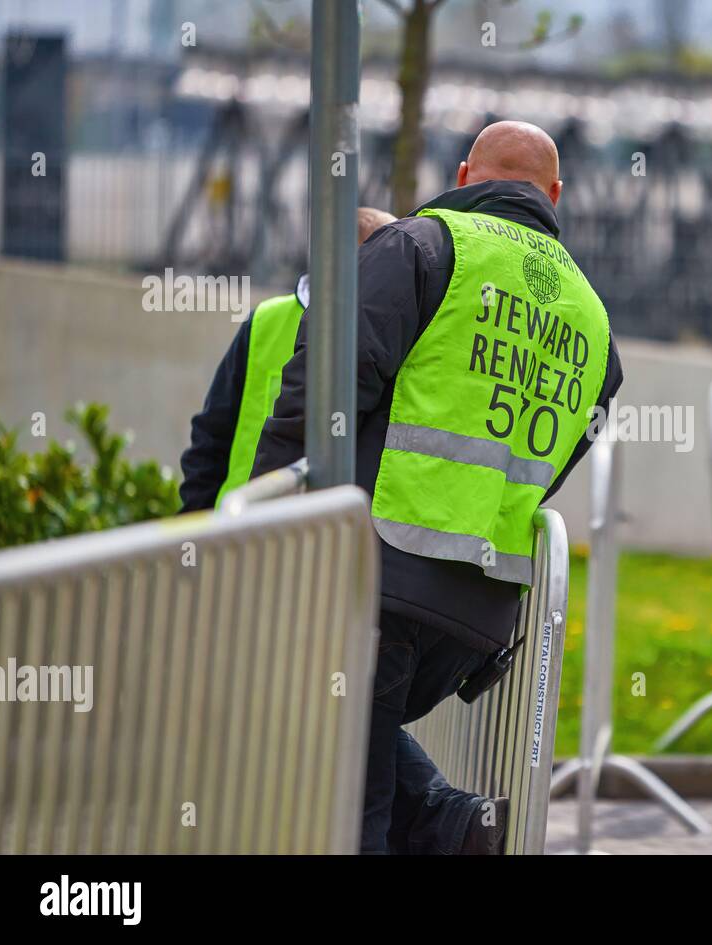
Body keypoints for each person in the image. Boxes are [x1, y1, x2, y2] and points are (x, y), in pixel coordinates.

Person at [252, 120, 624, 855]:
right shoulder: (594, 322)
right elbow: (555, 459)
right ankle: (454, 823)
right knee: (362, 758)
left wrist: (261, 526)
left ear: (464, 174)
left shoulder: (422, 246)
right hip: (478, 615)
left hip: (374, 581)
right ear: (554, 195)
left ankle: (446, 823)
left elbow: (321, 394)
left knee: (345, 805)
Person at [178, 208, 397, 511]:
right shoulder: (265, 323)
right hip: (243, 530)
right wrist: (196, 530)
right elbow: (210, 439)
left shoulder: (395, 334)